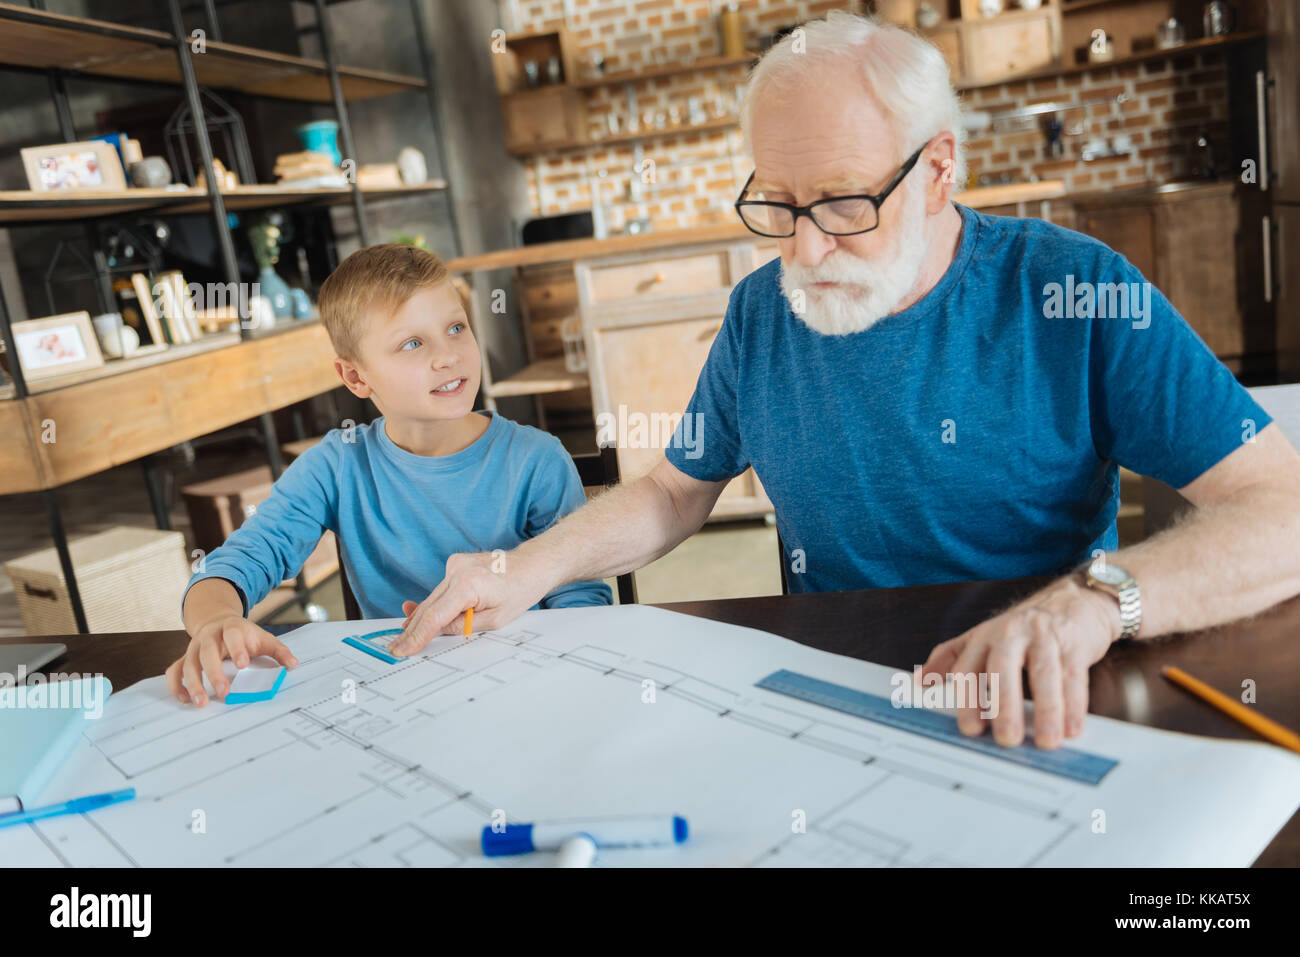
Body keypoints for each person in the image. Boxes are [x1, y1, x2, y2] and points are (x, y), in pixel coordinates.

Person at [393, 12, 1300, 751]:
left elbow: (1284, 514)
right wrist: (522, 568)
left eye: (840, 203)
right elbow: (675, 492)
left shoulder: (1074, 291)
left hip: (1044, 699)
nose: (803, 248)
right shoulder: (762, 313)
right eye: (777, 205)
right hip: (830, 704)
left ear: (939, 169)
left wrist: (1094, 603)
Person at [165, 244, 611, 707]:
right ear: (356, 378)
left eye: (456, 328)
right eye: (413, 343)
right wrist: (216, 621)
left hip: (528, 686)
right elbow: (242, 559)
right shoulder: (337, 465)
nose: (448, 356)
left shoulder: (537, 460)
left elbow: (581, 602)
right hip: (403, 696)